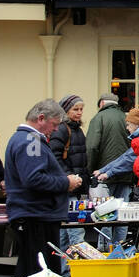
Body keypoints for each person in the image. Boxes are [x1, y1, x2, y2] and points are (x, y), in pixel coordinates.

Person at [5, 99, 82, 277]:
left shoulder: (25, 141)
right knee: (38, 273)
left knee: (30, 271)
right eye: (53, 124)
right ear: (40, 119)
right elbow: (34, 179)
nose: (54, 130)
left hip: (32, 215)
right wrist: (65, 182)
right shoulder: (31, 142)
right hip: (36, 215)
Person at [50, 95, 89, 264]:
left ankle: (66, 270)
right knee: (74, 232)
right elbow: (55, 156)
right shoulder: (62, 129)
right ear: (66, 110)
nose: (79, 113)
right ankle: (72, 270)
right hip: (69, 187)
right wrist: (69, 178)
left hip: (75, 186)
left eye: (81, 109)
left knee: (67, 232)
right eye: (75, 109)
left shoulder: (76, 130)